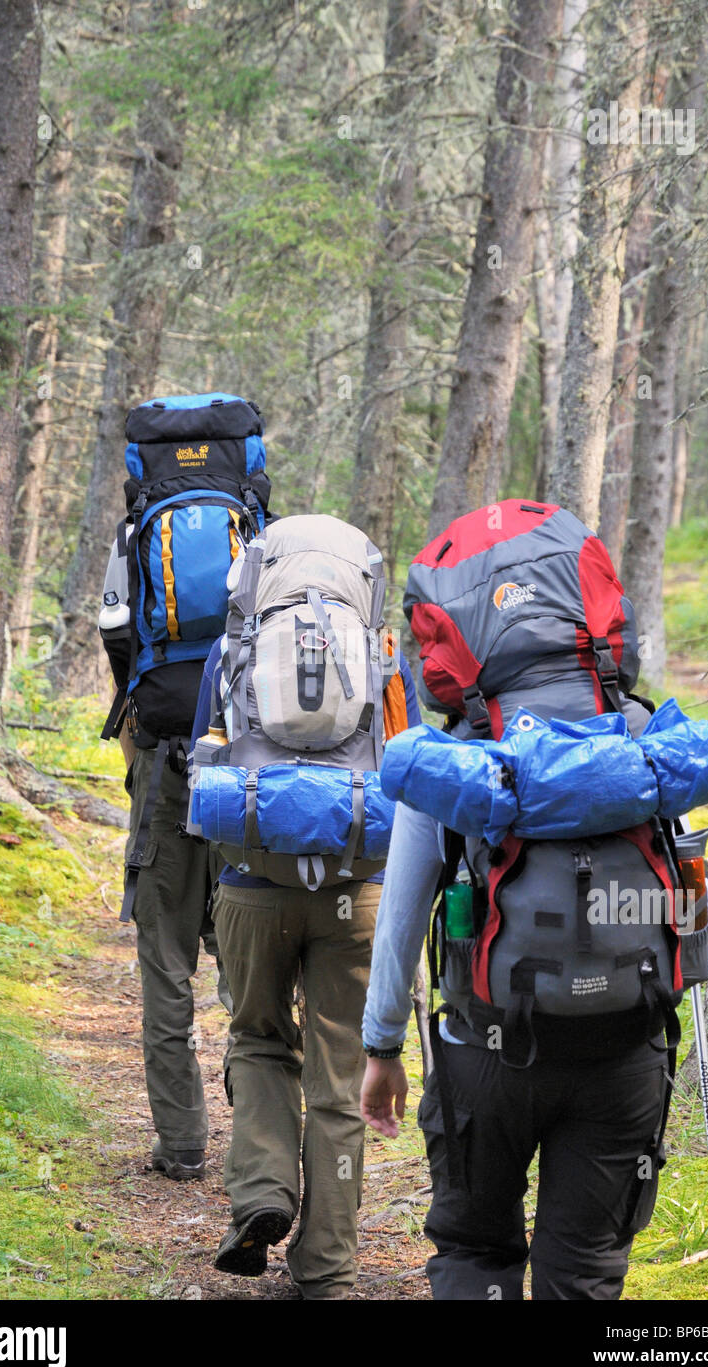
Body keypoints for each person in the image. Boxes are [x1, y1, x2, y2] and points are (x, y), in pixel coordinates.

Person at [359, 499, 708, 1301]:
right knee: (584, 1272)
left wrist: (382, 1048)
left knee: (475, 1255)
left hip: (486, 1054)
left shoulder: (450, 761)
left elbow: (399, 919)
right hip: (624, 1054)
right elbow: (700, 929)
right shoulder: (643, 743)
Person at [190, 515, 421, 1299]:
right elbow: (412, 771)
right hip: (357, 888)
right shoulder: (384, 658)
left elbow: (203, 768)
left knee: (257, 1039)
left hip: (253, 883)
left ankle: (260, 1196)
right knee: (339, 1075)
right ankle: (325, 1265)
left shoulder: (233, 651)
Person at [98, 392, 271, 1181]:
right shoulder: (262, 534)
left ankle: (180, 1146)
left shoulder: (137, 533)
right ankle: (261, 1144)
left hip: (166, 761)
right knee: (246, 968)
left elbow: (114, 631)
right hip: (244, 775)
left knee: (166, 966)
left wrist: (138, 715)